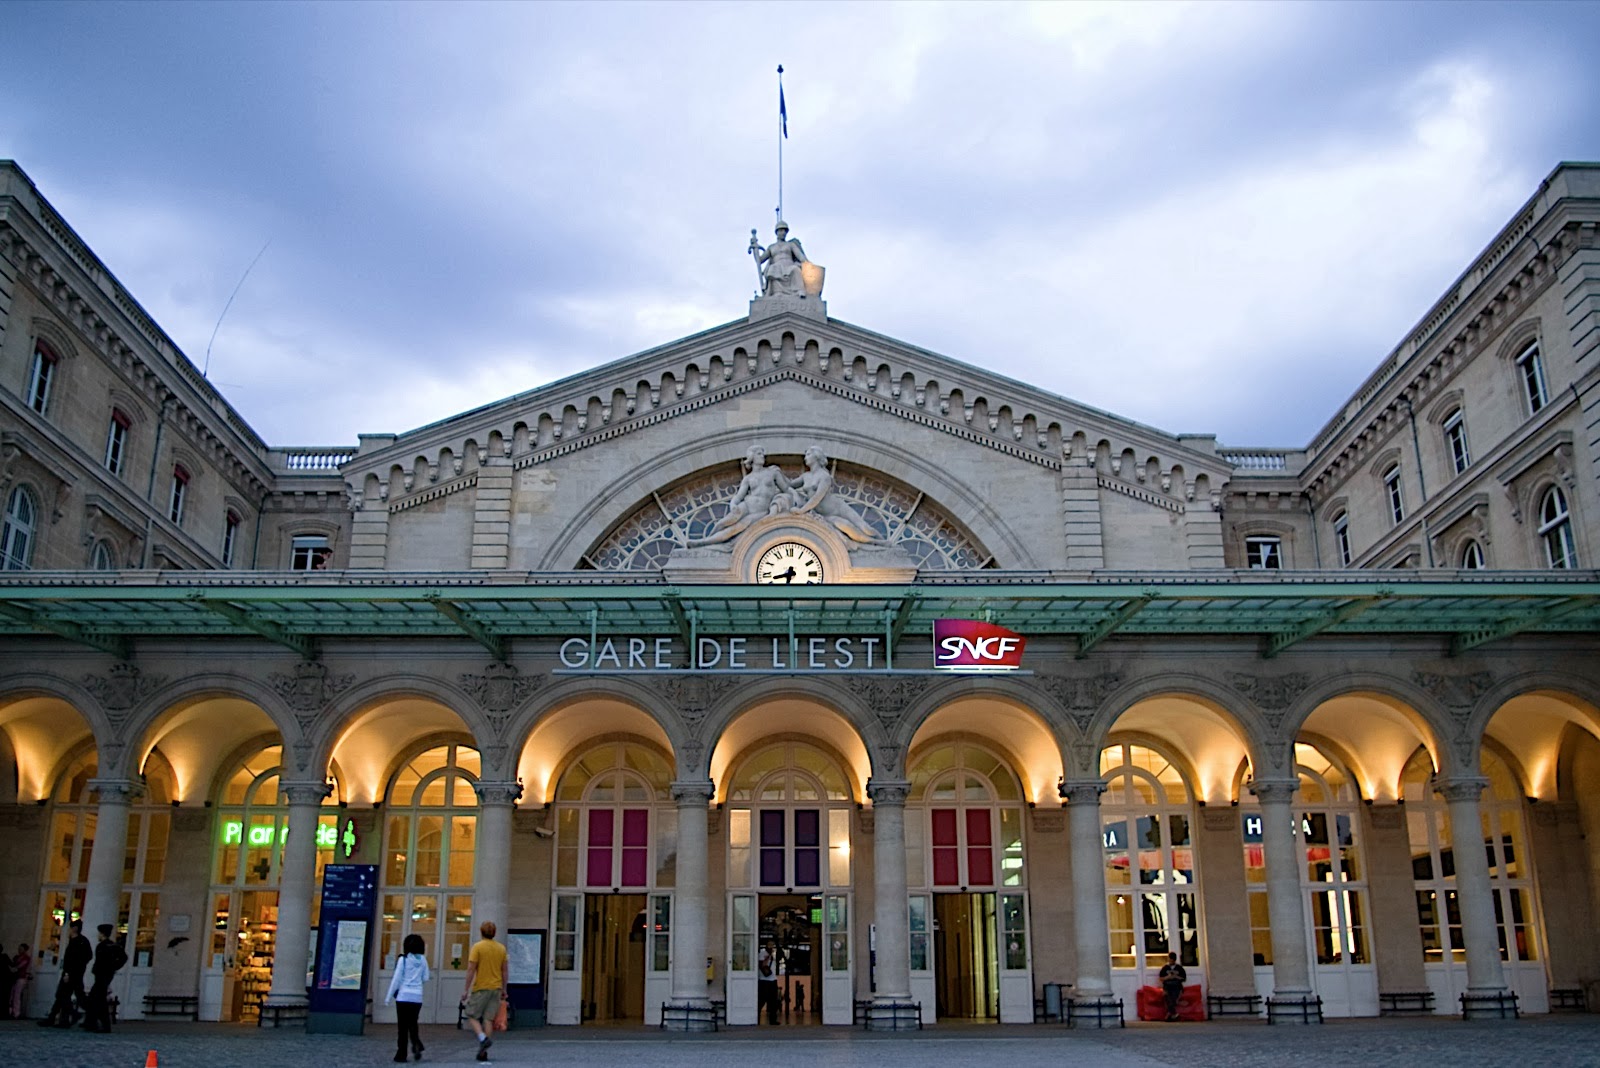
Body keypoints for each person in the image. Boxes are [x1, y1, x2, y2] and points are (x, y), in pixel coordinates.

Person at [689, 446, 796, 546]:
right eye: (759, 454)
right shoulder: (748, 478)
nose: (762, 456)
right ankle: (709, 539)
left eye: (762, 454)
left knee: (734, 529)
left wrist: (794, 502)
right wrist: (733, 504)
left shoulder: (772, 472)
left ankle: (704, 542)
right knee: (722, 523)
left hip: (760, 511)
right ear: (752, 457)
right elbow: (739, 496)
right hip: (746, 507)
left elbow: (786, 489)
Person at [459, 921, 507, 1062]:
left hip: (481, 987)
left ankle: (482, 1038)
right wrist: (504, 988)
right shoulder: (501, 949)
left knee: (471, 1014)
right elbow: (504, 971)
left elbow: (471, 969)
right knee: (488, 1019)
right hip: (496, 988)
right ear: (494, 933)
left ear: (481, 932)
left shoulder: (477, 947)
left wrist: (466, 989)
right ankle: (484, 1051)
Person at [386, 933, 430, 1063]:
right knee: (413, 1023)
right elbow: (426, 977)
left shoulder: (403, 960)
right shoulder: (423, 960)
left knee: (402, 1027)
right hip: (417, 997)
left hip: (403, 996)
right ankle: (416, 1043)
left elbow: (396, 979)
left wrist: (388, 997)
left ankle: (401, 1054)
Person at [41, 920, 91, 1027]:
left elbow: (72, 959)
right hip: (76, 973)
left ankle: (72, 1015)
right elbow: (87, 956)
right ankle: (58, 1019)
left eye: (71, 928)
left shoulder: (77, 942)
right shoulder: (79, 941)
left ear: (75, 929)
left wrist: (68, 973)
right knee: (63, 996)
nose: (69, 930)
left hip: (72, 973)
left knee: (63, 995)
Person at [81, 925, 127, 1033]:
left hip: (103, 976)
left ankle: (101, 1024)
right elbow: (123, 958)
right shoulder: (110, 946)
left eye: (99, 933)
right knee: (95, 999)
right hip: (102, 975)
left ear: (102, 934)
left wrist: (113, 967)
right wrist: (113, 967)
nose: (98, 935)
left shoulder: (107, 946)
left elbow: (123, 958)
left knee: (98, 1000)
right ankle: (92, 1022)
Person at [751, 221, 809, 298]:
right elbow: (759, 260)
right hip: (777, 266)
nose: (783, 233)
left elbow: (801, 257)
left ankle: (799, 291)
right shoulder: (771, 247)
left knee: (796, 269)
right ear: (777, 232)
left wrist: (805, 263)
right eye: (781, 230)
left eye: (785, 231)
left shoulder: (790, 245)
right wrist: (754, 250)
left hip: (790, 265)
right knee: (773, 269)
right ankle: (777, 292)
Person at [1158, 951, 1188, 1022]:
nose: (1170, 961)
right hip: (1167, 986)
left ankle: (1169, 1014)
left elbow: (1184, 979)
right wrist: (1168, 977)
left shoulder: (1179, 968)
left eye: (1171, 959)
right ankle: (1174, 1014)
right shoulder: (1165, 968)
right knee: (1166, 996)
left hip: (1177, 987)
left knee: (1173, 998)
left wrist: (1176, 976)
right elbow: (1161, 978)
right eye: (1169, 959)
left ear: (1174, 960)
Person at [757, 942, 780, 1024]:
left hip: (772, 979)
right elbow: (761, 965)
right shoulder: (763, 954)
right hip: (764, 980)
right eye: (770, 946)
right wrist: (767, 958)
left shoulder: (772, 955)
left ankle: (773, 1020)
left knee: (774, 1001)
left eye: (772, 946)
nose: (772, 947)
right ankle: (756, 1017)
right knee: (762, 1000)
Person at [10, 943, 32, 1019]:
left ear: (25, 950)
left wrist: (14, 968)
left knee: (17, 995)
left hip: (21, 978)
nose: (19, 950)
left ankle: (16, 1013)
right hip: (15, 977)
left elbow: (20, 966)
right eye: (19, 948)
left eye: (21, 948)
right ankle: (12, 1011)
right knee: (12, 994)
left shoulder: (26, 958)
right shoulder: (17, 957)